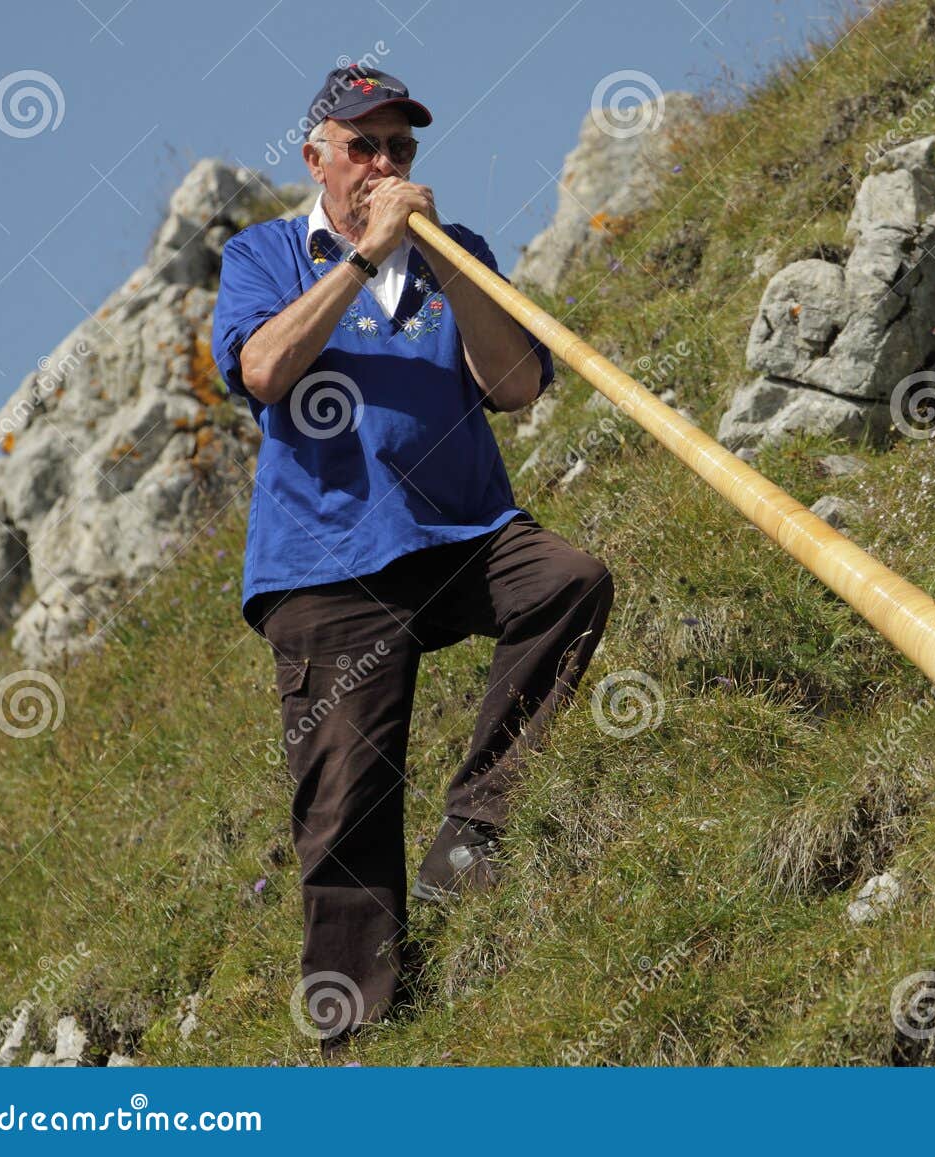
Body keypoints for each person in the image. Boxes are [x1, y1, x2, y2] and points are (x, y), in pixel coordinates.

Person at [210, 65, 614, 1053]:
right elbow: (260, 370)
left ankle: (473, 834)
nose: (384, 165)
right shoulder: (266, 252)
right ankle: (353, 1036)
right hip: (326, 559)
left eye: (399, 149)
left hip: (461, 535)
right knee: (346, 803)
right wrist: (363, 258)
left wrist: (447, 272)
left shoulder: (457, 253)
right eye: (364, 146)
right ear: (317, 158)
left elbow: (515, 384)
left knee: (569, 581)